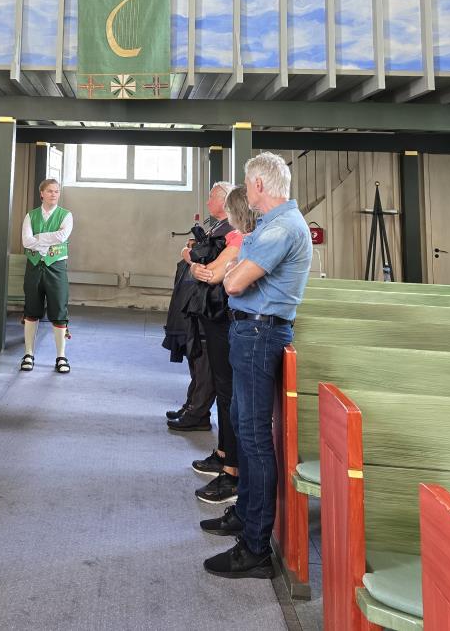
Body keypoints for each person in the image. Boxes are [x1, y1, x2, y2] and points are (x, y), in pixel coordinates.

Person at [201, 153, 312, 580]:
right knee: (242, 424)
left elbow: (233, 281)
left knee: (253, 436)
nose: (246, 195)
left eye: (248, 187)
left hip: (260, 332)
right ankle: (245, 517)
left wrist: (232, 273)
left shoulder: (281, 227)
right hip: (252, 329)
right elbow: (233, 273)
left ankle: (255, 547)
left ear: (260, 186)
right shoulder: (269, 225)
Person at [189, 185, 256, 505]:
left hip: (232, 320)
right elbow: (199, 266)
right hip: (220, 318)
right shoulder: (234, 236)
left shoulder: (244, 238)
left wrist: (202, 268)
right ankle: (223, 452)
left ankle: (232, 470)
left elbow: (214, 275)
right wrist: (196, 266)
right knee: (224, 389)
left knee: (230, 395)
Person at [165, 182, 233, 432]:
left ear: (225, 201)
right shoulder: (217, 227)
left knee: (204, 359)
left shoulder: (230, 230)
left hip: (213, 304)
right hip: (200, 301)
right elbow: (194, 253)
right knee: (196, 356)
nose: (207, 202)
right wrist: (190, 255)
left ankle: (198, 412)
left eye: (212, 197)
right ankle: (192, 404)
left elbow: (197, 257)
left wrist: (190, 256)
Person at [20, 178, 73, 374]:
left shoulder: (66, 215)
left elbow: (62, 237)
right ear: (41, 193)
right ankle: (28, 353)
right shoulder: (30, 215)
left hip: (56, 267)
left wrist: (39, 238)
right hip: (34, 266)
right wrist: (45, 240)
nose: (54, 194)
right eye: (50, 191)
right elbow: (26, 242)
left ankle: (61, 356)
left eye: (57, 191)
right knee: (31, 309)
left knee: (59, 309)